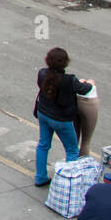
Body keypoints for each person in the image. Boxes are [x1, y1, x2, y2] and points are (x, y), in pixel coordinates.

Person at [34, 47, 92, 187]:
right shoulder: (69, 80)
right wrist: (89, 83)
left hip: (43, 113)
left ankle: (40, 177)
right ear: (65, 63)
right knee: (72, 150)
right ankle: (69, 184)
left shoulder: (42, 74)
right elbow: (84, 89)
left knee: (43, 145)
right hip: (61, 119)